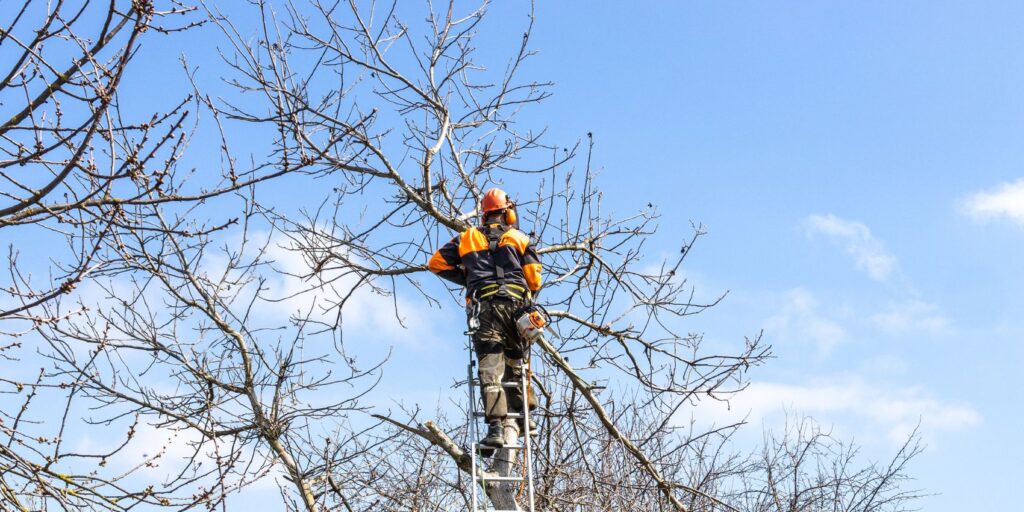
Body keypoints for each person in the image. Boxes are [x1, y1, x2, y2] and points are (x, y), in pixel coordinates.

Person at [428, 188, 542, 450]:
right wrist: (527, 294)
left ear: (484, 214)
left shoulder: (466, 238)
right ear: (507, 212)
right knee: (516, 361)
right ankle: (525, 416)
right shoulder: (520, 238)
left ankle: (495, 429)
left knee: (490, 368)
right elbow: (534, 277)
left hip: (485, 308)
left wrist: (469, 278)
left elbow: (436, 263)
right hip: (516, 308)